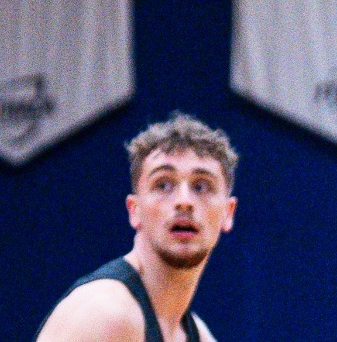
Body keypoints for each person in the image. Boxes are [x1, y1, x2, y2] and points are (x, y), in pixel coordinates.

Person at [36, 114, 236, 342]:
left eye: (201, 186)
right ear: (134, 210)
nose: (184, 201)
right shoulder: (106, 314)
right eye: (163, 185)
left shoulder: (196, 334)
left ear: (227, 213)